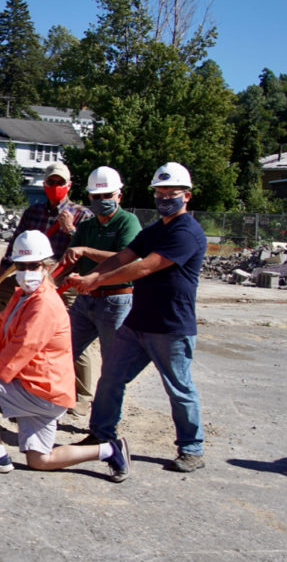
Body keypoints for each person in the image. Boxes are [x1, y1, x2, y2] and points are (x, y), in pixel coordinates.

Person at [69, 162, 207, 473]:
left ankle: (191, 448)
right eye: (159, 192)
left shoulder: (187, 232)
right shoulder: (156, 230)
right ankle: (100, 435)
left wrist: (96, 281)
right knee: (111, 378)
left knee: (179, 387)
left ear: (186, 196)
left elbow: (145, 267)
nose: (164, 198)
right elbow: (123, 257)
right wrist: (91, 275)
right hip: (137, 323)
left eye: (171, 193)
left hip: (170, 327)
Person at [0, 230, 131, 481]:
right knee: (40, 461)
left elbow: (20, 348)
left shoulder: (45, 304)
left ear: (46, 267)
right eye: (21, 265)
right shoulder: (21, 296)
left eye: (33, 266)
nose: (26, 271)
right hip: (39, 387)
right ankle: (109, 450)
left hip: (43, 390)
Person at [59, 167, 141, 417]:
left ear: (119, 196)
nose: (102, 201)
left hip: (115, 299)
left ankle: (105, 422)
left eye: (107, 196)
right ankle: (62, 400)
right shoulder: (87, 227)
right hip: (86, 299)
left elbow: (127, 260)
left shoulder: (128, 222)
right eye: (97, 197)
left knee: (113, 365)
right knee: (63, 350)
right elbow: (70, 258)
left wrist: (86, 251)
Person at [0, 162, 90, 335]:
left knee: (66, 331)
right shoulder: (33, 212)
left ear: (68, 185)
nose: (55, 186)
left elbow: (85, 253)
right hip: (30, 275)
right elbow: (12, 252)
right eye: (51, 182)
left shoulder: (82, 215)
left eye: (60, 183)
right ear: (44, 184)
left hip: (62, 282)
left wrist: (70, 229)